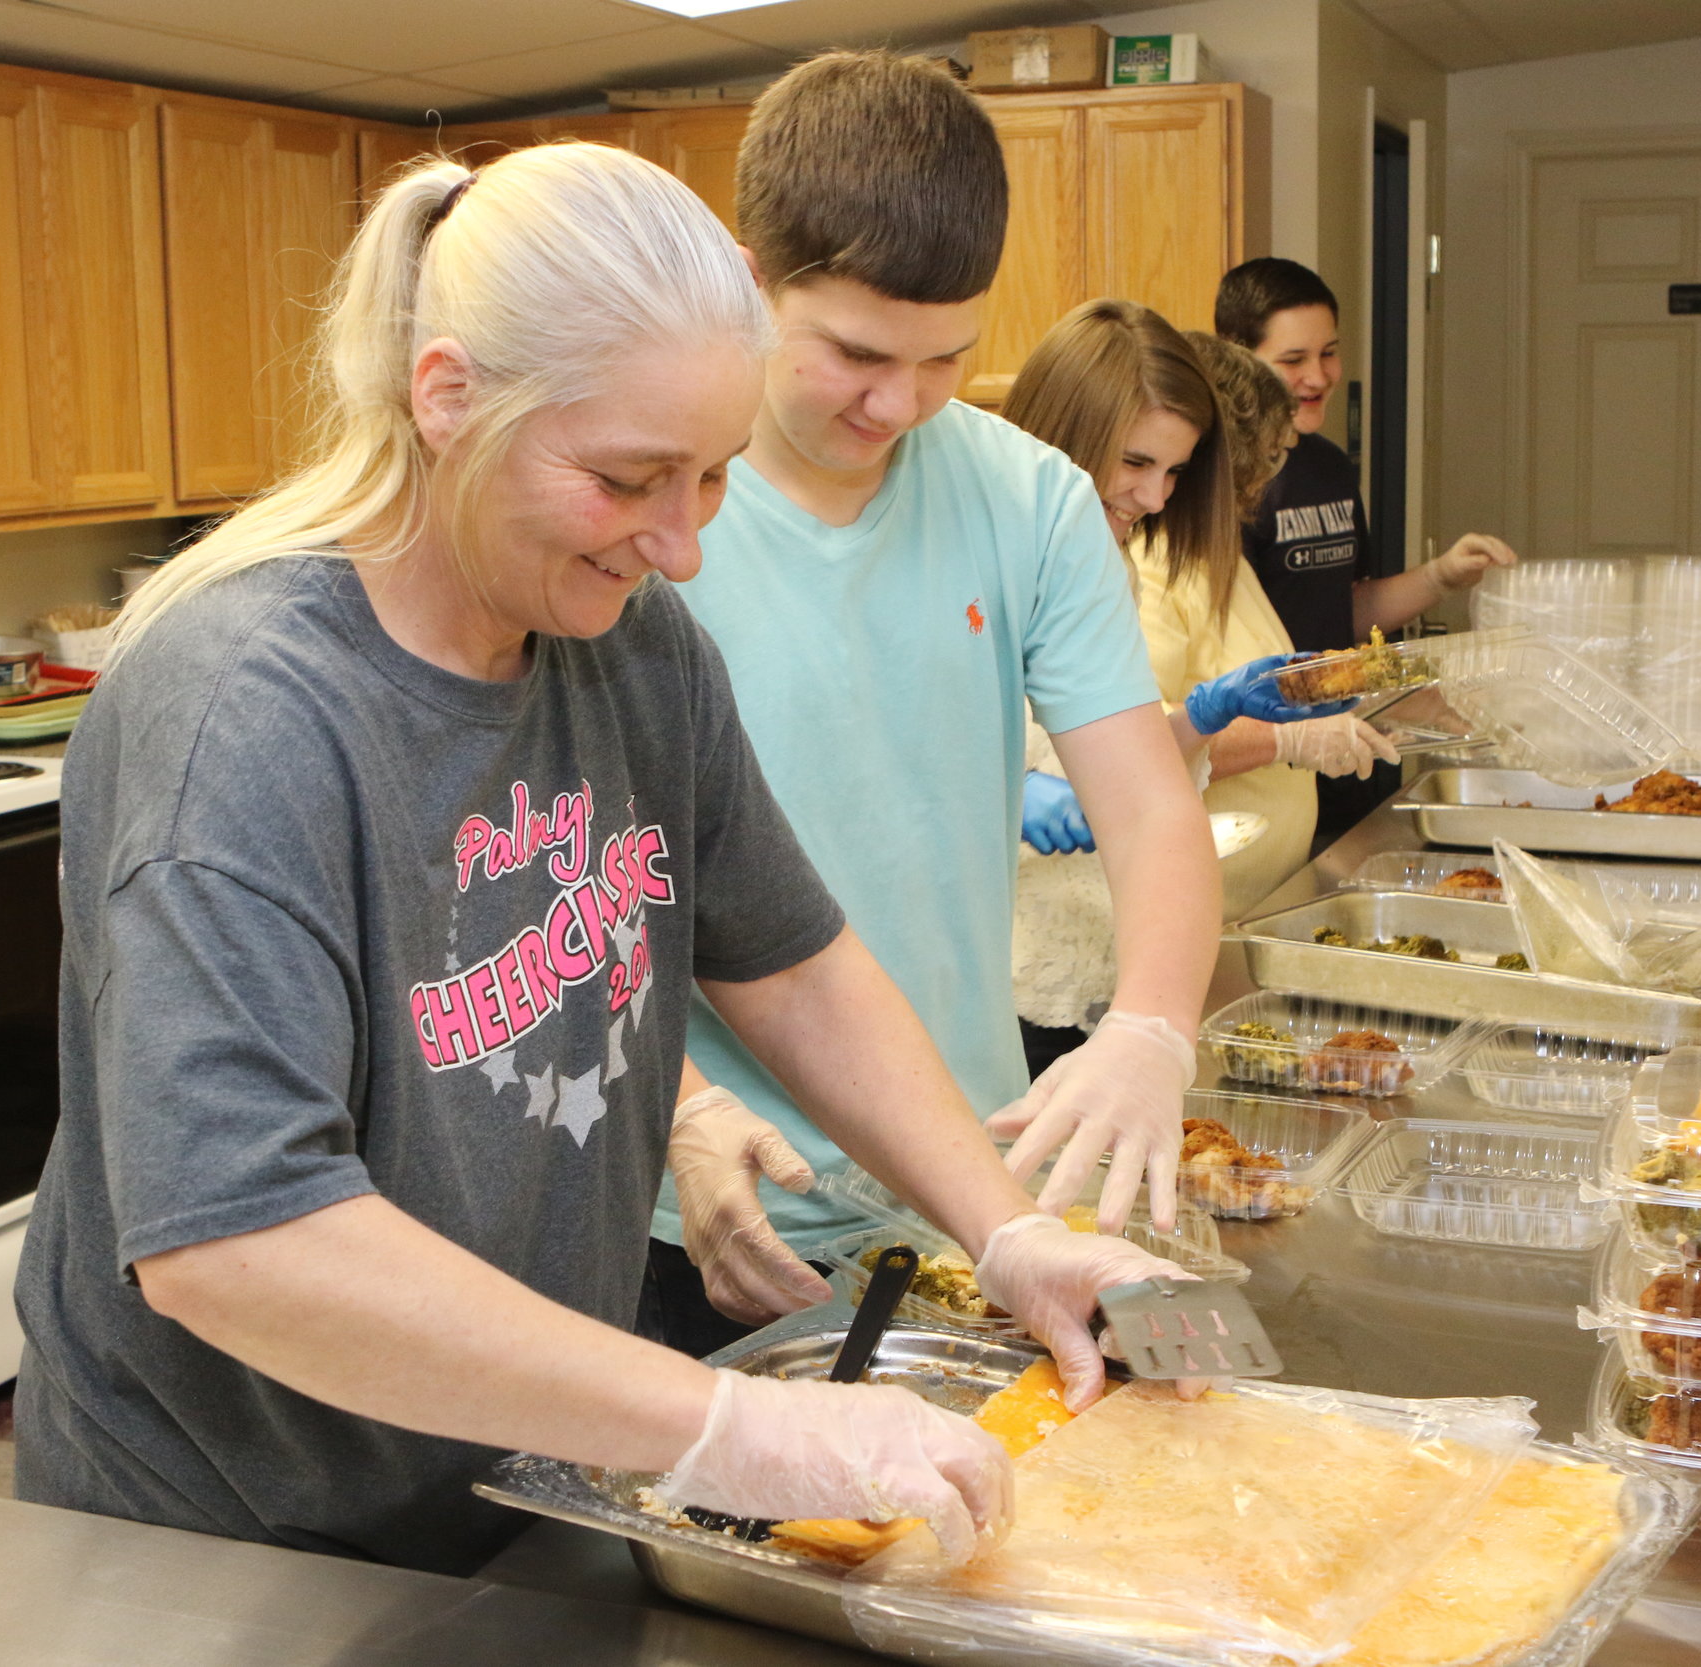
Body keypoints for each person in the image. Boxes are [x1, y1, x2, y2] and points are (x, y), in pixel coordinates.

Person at [8, 141, 1191, 1579]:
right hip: (233, 1540)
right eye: (632, 477)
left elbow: (794, 964)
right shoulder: (246, 710)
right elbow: (237, 1238)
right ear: (448, 396)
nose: (684, 544)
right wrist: (720, 1422)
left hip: (510, 1468)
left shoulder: (626, 642)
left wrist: (1005, 1232)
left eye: (711, 477)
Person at [647, 52, 1223, 1355]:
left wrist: (1151, 1026)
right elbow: (553, 878)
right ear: (750, 281)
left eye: (944, 357)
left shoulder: (1030, 499)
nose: (897, 403)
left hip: (974, 1188)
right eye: (852, 352)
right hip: (712, 1202)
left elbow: (1146, 807)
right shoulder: (655, 504)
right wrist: (669, 1103)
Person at [999, 302, 1394, 1074]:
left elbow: (1122, 763)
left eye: (1174, 472)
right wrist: (1002, 795)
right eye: (1137, 464)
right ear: (1063, 434)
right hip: (1014, 977)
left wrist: (1203, 718)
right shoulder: (979, 558)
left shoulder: (1101, 557)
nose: (1155, 497)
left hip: (1107, 965)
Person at [1215, 257, 1519, 838]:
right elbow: (1227, 670)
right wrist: (1386, 704)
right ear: (1238, 358)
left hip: (1350, 757)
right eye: (1292, 360)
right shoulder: (1222, 486)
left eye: (1328, 352)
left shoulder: (1328, 466)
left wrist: (1440, 577)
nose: (1319, 376)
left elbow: (1341, 610)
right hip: (1267, 769)